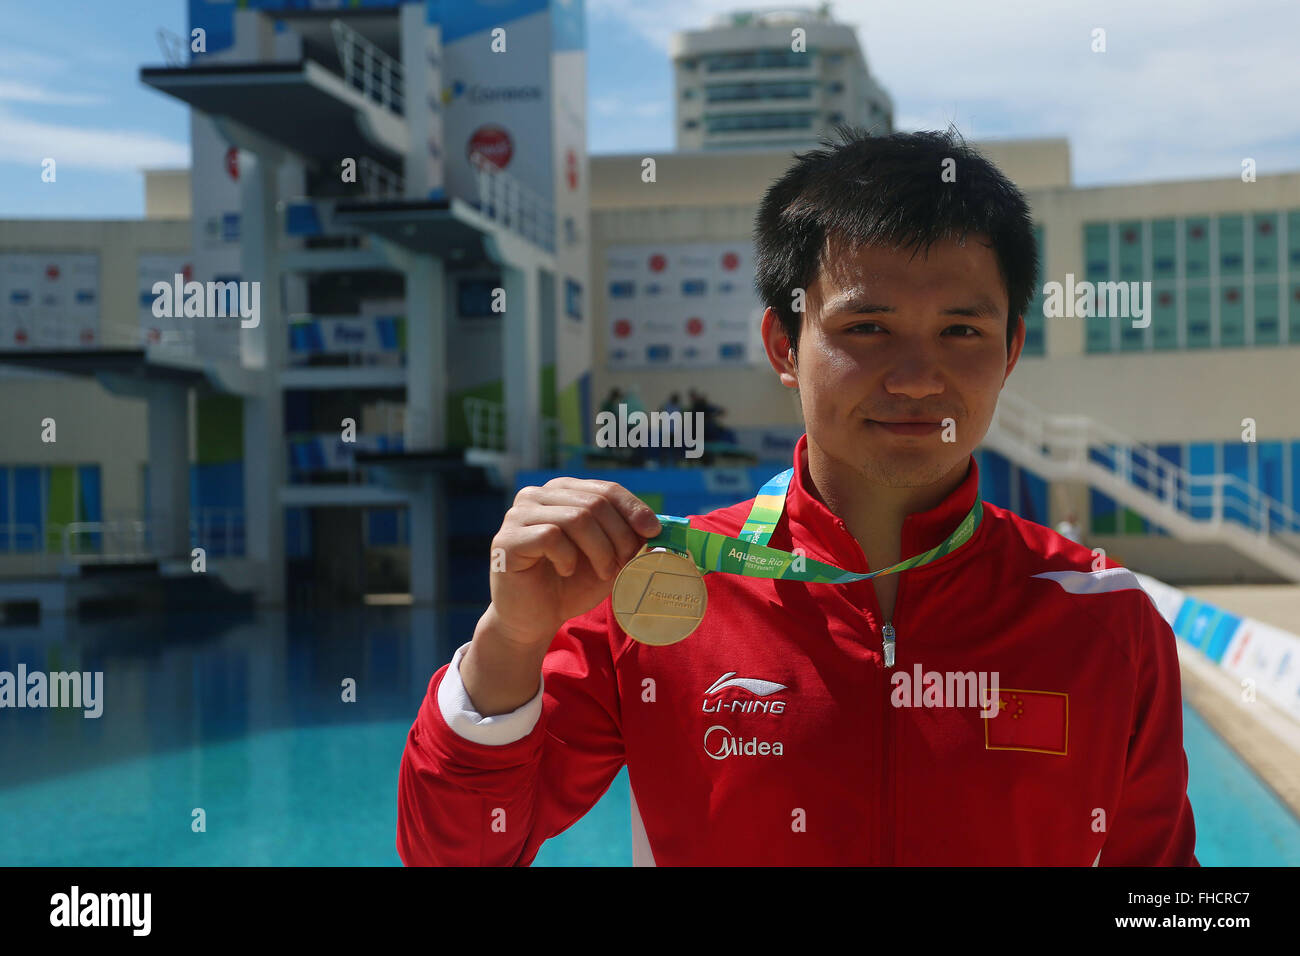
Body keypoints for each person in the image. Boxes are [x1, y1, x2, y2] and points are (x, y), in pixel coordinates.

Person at [397, 126, 1197, 866]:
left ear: (1011, 348)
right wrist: (511, 638)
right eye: (867, 328)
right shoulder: (656, 597)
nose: (917, 378)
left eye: (961, 331)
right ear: (785, 344)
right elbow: (453, 856)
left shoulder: (1104, 619)